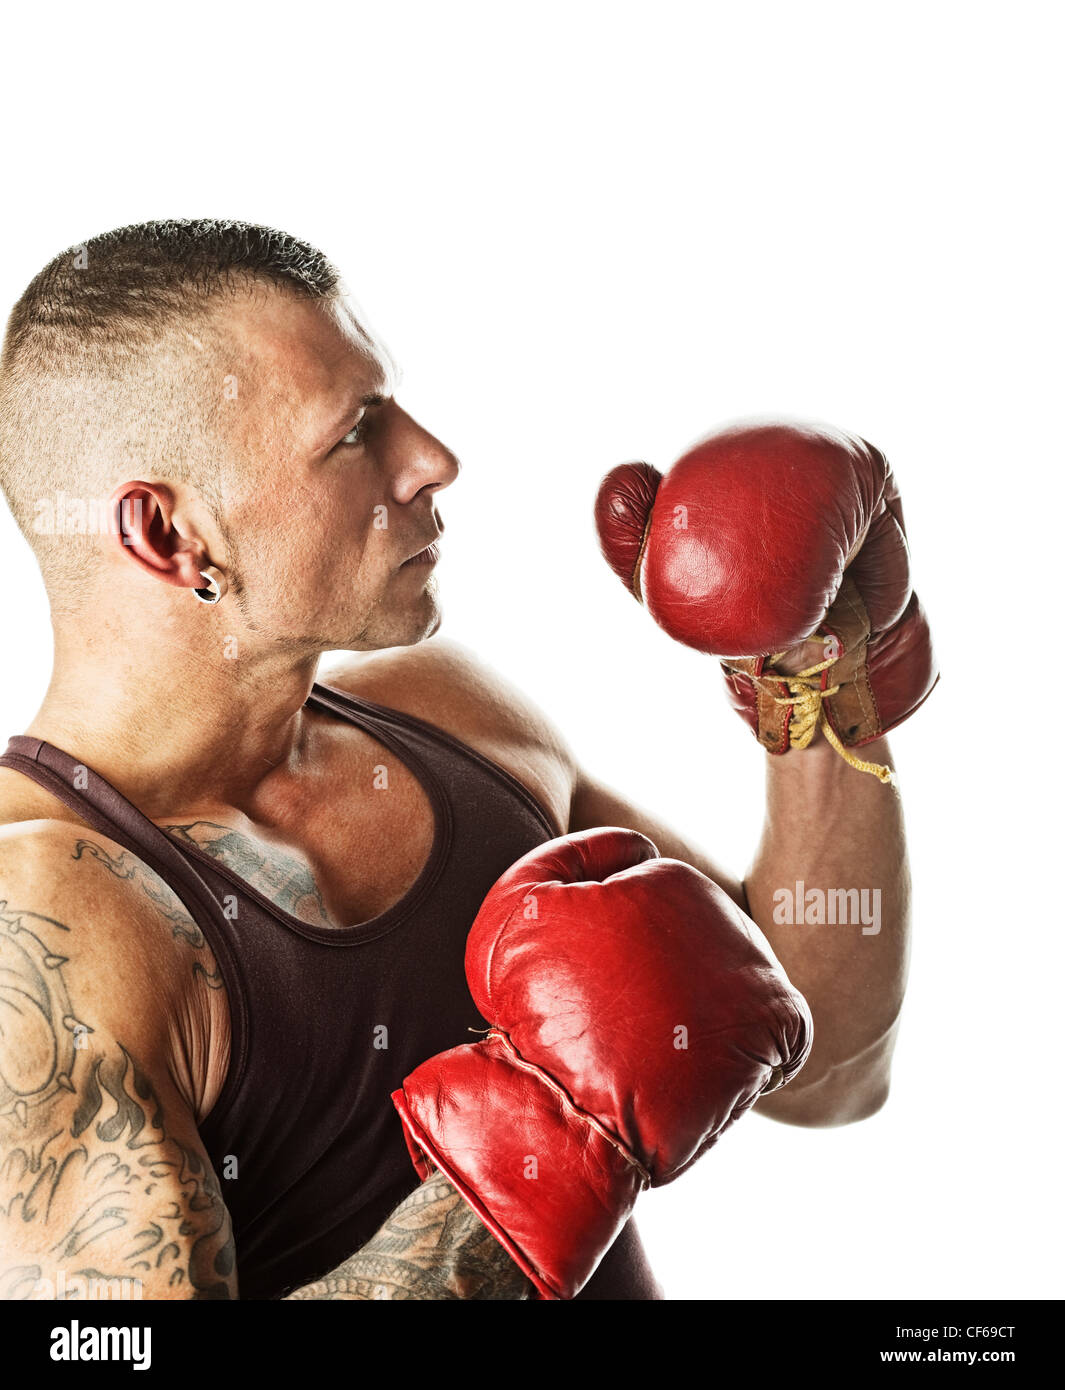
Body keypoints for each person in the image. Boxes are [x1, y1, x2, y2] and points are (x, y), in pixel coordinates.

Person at [0, 220, 929, 1300]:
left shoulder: (458, 721)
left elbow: (827, 1063)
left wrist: (812, 679)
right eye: (357, 433)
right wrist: (547, 1133)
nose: (433, 459)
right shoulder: (46, 930)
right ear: (168, 536)